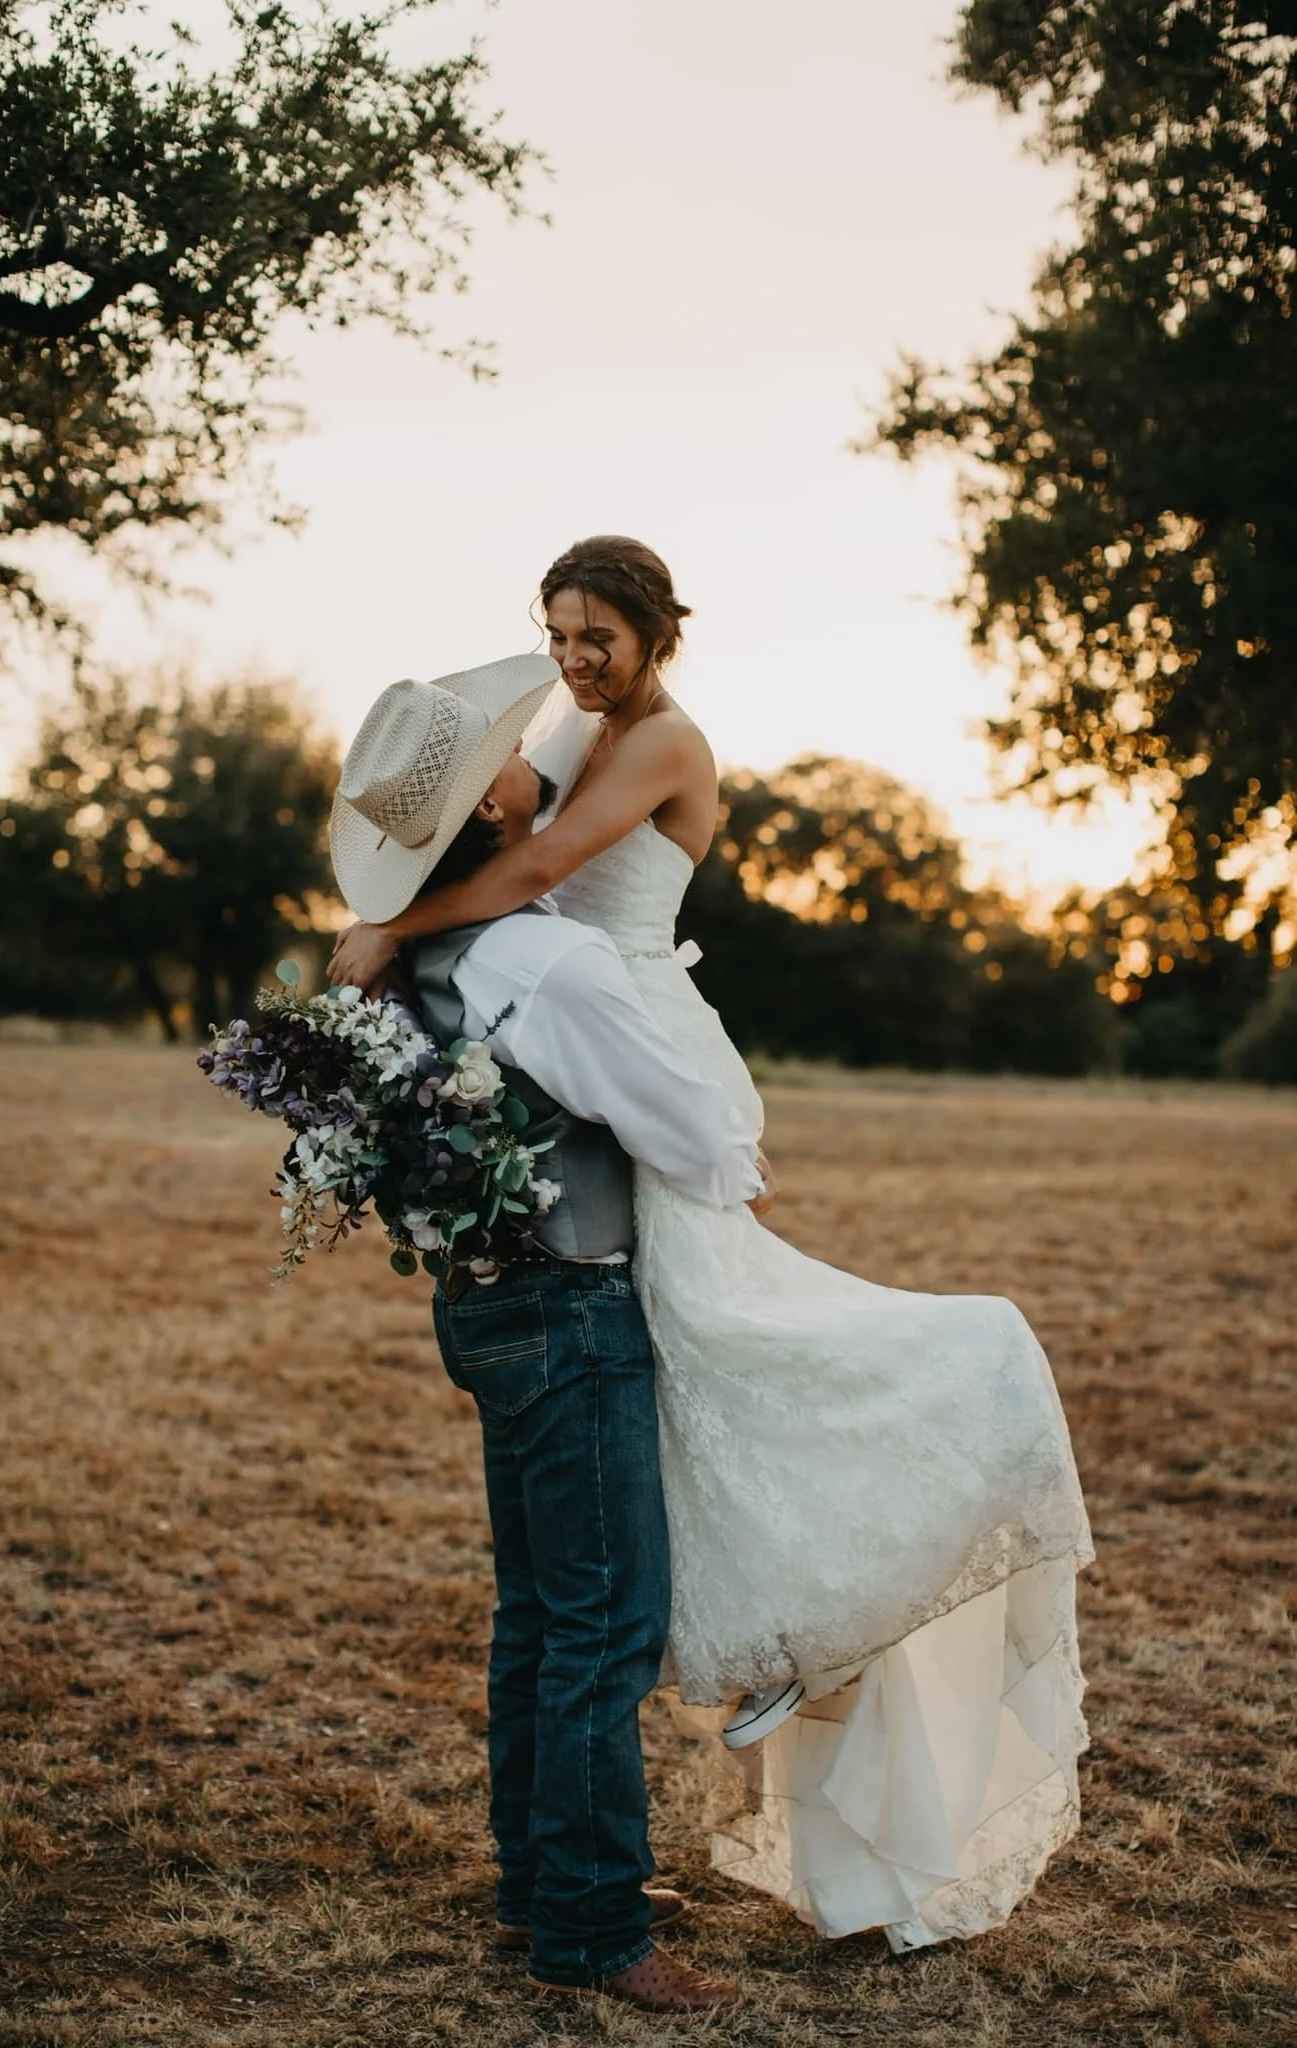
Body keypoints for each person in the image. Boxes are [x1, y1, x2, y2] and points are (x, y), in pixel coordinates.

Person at [329, 544, 1095, 1952]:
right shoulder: (528, 934)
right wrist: (705, 1149)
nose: (566, 664)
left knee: (609, 1515)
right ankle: (614, 1883)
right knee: (633, 1550)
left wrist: (383, 931)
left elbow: (545, 861)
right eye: (553, 638)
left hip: (504, 1265)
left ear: (656, 631)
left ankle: (559, 1876)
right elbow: (552, 887)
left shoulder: (640, 756)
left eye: (594, 635)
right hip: (593, 1169)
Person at [330, 652, 764, 2012]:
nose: (540, 758)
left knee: (539, 1613)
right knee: (605, 1625)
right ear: (500, 812)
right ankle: (591, 1928)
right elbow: (696, 1130)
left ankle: (538, 1882)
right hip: (573, 1302)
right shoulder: (552, 959)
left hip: (482, 1304)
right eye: (516, 755)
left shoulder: (417, 961)